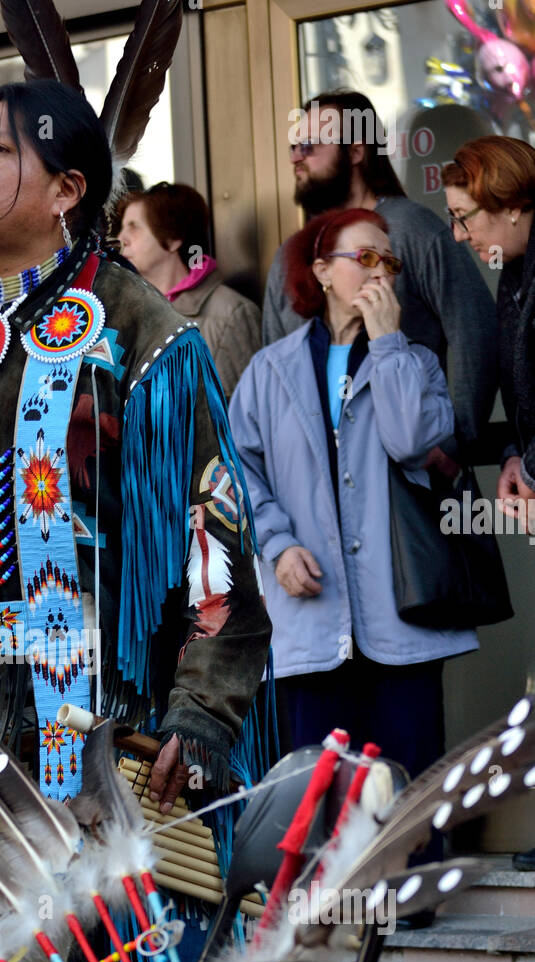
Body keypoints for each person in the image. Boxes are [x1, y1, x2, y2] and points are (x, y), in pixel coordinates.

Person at [0, 80, 272, 819]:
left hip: (103, 718)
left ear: (64, 192)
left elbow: (215, 526)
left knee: (107, 931)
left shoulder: (141, 331)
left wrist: (202, 707)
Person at [230, 207, 477, 784]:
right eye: (364, 258)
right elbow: (237, 471)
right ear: (320, 271)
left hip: (401, 618)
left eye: (389, 261)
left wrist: (390, 345)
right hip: (310, 621)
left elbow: (413, 441)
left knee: (407, 797)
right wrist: (278, 545)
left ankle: (412, 881)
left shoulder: (415, 362)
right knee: (319, 806)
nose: (381, 274)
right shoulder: (270, 370)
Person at [263, 90, 498, 461]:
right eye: (294, 146)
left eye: (310, 145)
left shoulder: (411, 228)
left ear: (356, 152)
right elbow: (275, 370)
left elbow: (475, 329)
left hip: (410, 480)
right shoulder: (292, 254)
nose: (296, 157)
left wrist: (453, 444)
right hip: (321, 483)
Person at [442, 136, 535, 870]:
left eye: (466, 215)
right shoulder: (512, 269)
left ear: (510, 202)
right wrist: (511, 457)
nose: (460, 233)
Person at [117, 182, 261, 399]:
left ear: (173, 238)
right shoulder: (125, 312)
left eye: (134, 227)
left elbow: (245, 414)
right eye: (123, 227)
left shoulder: (231, 313)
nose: (121, 239)